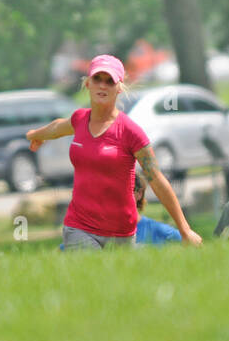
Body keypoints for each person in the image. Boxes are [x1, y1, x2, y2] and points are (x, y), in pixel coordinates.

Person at [27, 54, 202, 250]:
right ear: (88, 84)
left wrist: (185, 230)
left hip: (121, 233)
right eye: (97, 79)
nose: (103, 85)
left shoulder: (130, 132)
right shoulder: (79, 119)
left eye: (110, 81)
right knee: (92, 274)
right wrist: (37, 134)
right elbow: (58, 127)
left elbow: (156, 178)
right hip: (79, 226)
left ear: (119, 87)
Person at [133, 171, 181, 245]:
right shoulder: (109, 233)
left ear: (139, 193)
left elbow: (187, 241)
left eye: (126, 190)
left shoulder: (158, 230)